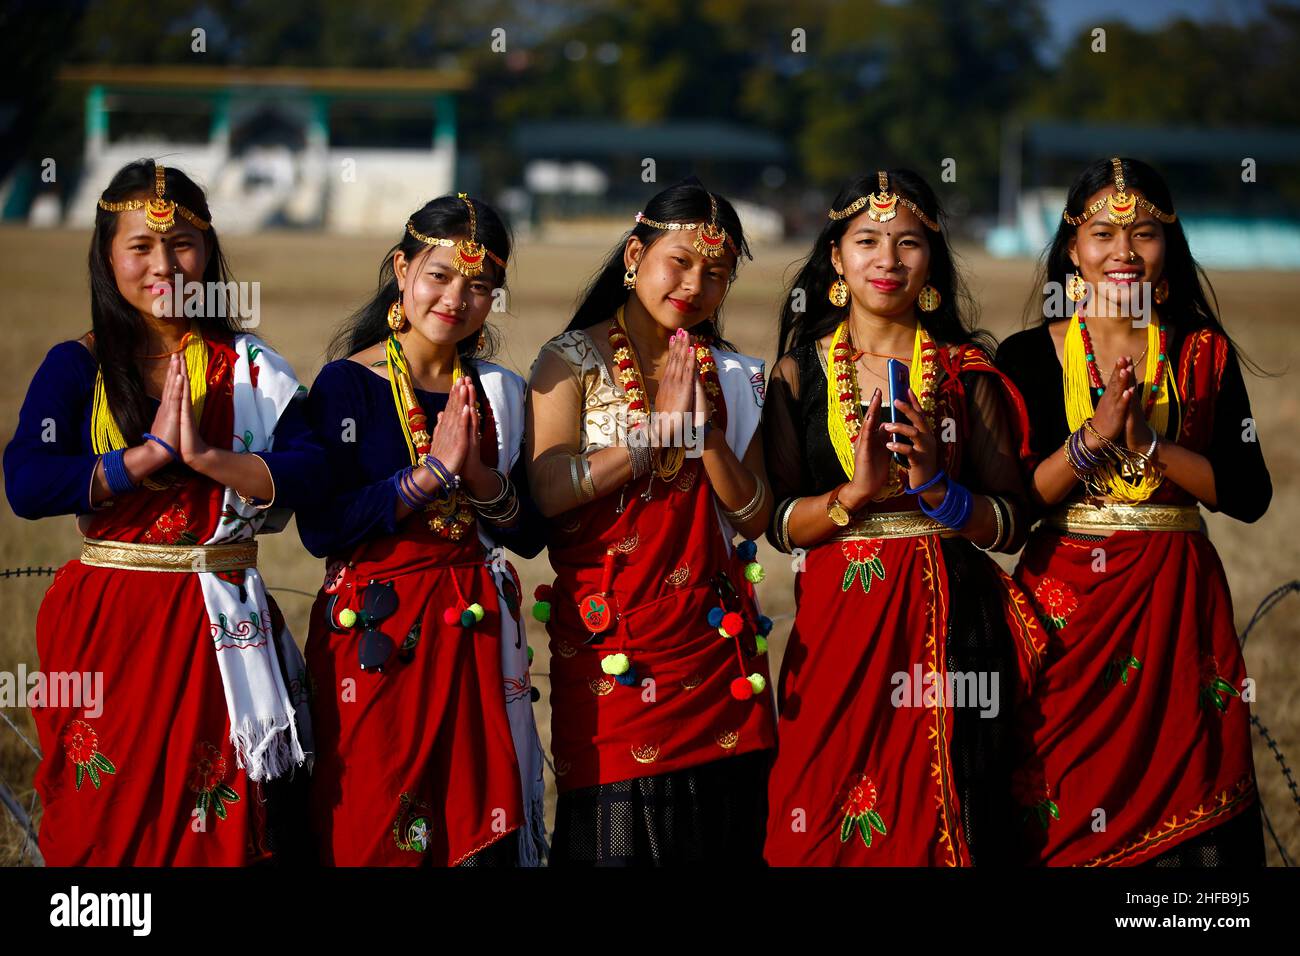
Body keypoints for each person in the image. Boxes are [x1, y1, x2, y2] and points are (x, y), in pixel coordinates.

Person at [3, 159, 323, 865]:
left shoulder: (255, 370)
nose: (163, 264)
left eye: (182, 243)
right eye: (139, 246)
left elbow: (312, 470)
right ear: (106, 255)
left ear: (208, 255)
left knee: (219, 821)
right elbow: (27, 482)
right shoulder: (77, 366)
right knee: (102, 821)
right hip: (107, 630)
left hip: (223, 631)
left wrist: (210, 459)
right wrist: (140, 460)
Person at [762, 169, 1046, 866]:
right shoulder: (798, 374)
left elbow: (1013, 522)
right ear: (836, 257)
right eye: (866, 242)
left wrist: (939, 492)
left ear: (933, 260)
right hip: (838, 628)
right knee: (824, 804)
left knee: (957, 801)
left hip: (955, 624)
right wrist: (852, 497)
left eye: (909, 243)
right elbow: (776, 524)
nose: (887, 261)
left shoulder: (965, 366)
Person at [996, 157, 1271, 867]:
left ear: (1168, 246)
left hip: (1177, 609)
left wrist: (1150, 444)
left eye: (1144, 233)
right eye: (1101, 234)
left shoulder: (1200, 351)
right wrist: (1091, 440)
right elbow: (1015, 508)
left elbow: (1247, 494)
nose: (1123, 252)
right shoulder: (1029, 354)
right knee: (1059, 790)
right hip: (1067, 616)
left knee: (1190, 786)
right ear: (1072, 250)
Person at [526, 179, 776, 865]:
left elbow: (754, 514)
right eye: (682, 261)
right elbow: (547, 490)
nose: (697, 284)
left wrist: (706, 438)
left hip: (716, 653)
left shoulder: (738, 377)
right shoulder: (569, 361)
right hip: (612, 651)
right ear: (634, 255)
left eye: (718, 271)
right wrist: (650, 440)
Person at [297, 193, 546, 866]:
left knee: (478, 828)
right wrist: (428, 475)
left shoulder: (499, 390)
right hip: (377, 634)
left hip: (475, 630)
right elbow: (320, 528)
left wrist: (484, 481)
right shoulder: (347, 386)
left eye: (480, 286)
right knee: (375, 825)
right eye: (440, 276)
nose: (456, 299)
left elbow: (526, 534)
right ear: (402, 269)